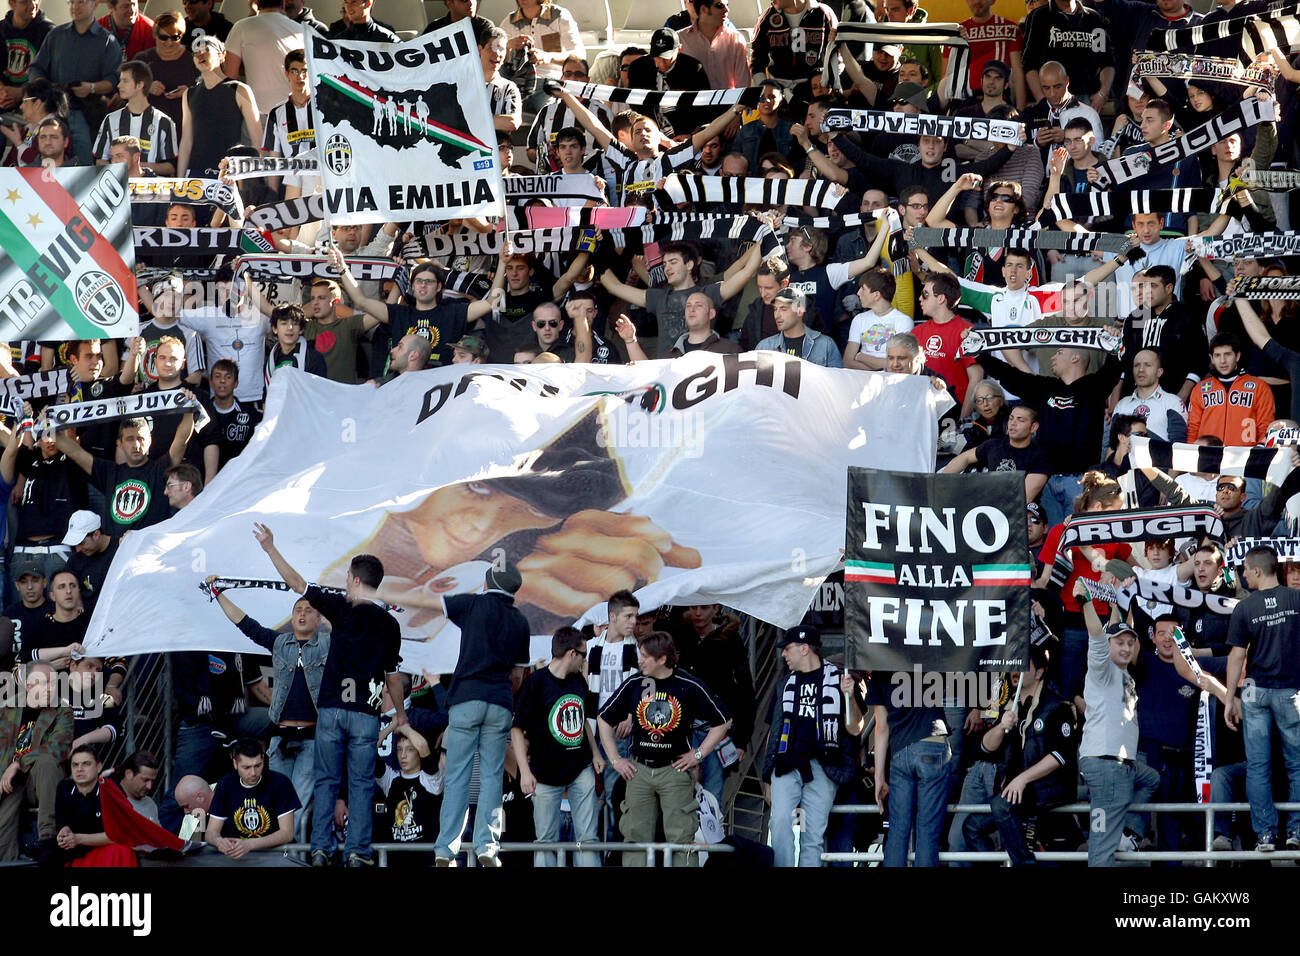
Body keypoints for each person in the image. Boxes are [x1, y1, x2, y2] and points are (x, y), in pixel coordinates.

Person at [253, 523, 406, 867]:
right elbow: (393, 678)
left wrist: (270, 548)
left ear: (352, 578)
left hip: (332, 709)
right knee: (362, 784)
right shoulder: (390, 624)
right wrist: (401, 713)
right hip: (366, 714)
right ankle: (357, 853)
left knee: (326, 780)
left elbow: (297, 583)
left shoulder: (340, 607)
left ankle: (321, 849)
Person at [206, 578, 328, 844]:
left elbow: (348, 629)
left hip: (311, 737)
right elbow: (246, 624)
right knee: (277, 806)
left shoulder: (328, 645)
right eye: (298, 610)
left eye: (309, 610)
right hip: (280, 736)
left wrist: (327, 612)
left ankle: (289, 859)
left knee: (297, 807)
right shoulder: (279, 642)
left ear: (319, 617)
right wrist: (219, 594)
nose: (302, 614)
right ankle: (275, 856)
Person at [598, 631, 731, 866]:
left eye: (645, 656)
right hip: (638, 768)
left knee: (681, 839)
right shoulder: (634, 682)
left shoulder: (688, 684)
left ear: (662, 659)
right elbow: (603, 718)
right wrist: (616, 759)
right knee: (635, 838)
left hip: (675, 770)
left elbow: (723, 720)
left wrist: (698, 754)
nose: (640, 660)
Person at [963, 645, 1078, 864]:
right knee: (971, 827)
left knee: (1000, 805)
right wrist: (1001, 726)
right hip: (1017, 792)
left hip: (1042, 791)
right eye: (1013, 666)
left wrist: (1022, 779)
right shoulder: (1008, 705)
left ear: (1039, 672)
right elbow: (985, 748)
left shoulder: (1058, 705)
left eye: (1023, 666)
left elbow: (1061, 755)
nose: (1016, 671)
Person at [762, 625, 862, 867]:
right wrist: (766, 776)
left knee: (813, 837)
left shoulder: (841, 680)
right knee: (779, 823)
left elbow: (855, 728)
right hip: (786, 764)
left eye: (787, 649)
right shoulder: (783, 684)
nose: (783, 655)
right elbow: (773, 732)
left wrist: (849, 696)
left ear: (804, 648)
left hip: (825, 766)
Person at [1075, 588, 1161, 866]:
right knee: (1102, 852)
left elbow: (1120, 628)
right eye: (1119, 642)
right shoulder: (1102, 669)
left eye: (1130, 643)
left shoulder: (1124, 673)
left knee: (1152, 779)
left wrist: (1117, 603)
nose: (1125, 647)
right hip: (1106, 764)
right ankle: (1120, 836)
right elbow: (1098, 639)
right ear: (1110, 645)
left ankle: (1127, 833)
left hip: (1122, 764)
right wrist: (1087, 602)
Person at [1225, 546, 1300, 853]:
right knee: (1297, 765)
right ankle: (1296, 830)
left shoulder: (1244, 607)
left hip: (1255, 694)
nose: (1243, 574)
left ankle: (1265, 836)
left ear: (1257, 571)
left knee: (1258, 767)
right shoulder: (1297, 599)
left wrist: (1230, 698)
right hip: (1291, 693)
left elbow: (1236, 655)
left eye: (1245, 569)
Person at [511, 625, 603, 866]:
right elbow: (516, 729)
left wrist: (595, 753)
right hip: (544, 774)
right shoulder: (536, 683)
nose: (585, 661)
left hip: (580, 767)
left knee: (588, 839)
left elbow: (582, 721)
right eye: (583, 655)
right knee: (545, 841)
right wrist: (525, 772)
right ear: (572, 654)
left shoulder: (578, 683)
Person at [867, 668, 952, 867]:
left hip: (900, 752)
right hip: (933, 744)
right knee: (928, 833)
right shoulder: (930, 654)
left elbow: (881, 728)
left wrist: (879, 777)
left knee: (897, 830)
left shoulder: (880, 671)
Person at [27, 0, 121, 165]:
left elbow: (113, 80)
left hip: (86, 113)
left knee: (83, 167)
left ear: (95, 4)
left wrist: (91, 88)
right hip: (53, 111)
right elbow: (36, 68)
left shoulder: (107, 41)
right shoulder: (55, 35)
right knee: (45, 167)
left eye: (81, 2)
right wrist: (44, 87)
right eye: (71, 2)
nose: (75, 7)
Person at [0, 661, 72, 861]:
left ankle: (48, 839)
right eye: (45, 683)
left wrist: (18, 764)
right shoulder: (7, 709)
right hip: (10, 783)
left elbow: (59, 748)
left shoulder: (62, 710)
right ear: (29, 686)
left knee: (47, 761)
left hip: (39, 781)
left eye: (54, 683)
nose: (51, 688)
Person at [177, 36, 262, 179]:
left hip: (228, 173)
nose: (200, 55)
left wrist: (250, 180)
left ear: (221, 55)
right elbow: (186, 141)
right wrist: (180, 180)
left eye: (206, 50)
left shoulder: (240, 89)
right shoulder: (189, 94)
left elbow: (258, 140)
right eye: (196, 52)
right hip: (196, 173)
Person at [206, 738, 299, 860]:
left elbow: (287, 833)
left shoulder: (280, 783)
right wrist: (219, 842)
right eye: (246, 767)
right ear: (235, 764)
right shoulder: (226, 784)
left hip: (276, 855)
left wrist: (250, 844)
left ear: (263, 759)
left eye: (258, 765)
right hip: (238, 857)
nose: (253, 772)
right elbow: (211, 832)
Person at [941, 403, 1049, 501]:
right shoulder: (993, 445)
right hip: (986, 506)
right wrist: (940, 482)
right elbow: (965, 458)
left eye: (1020, 420)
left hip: (1016, 514)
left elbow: (1023, 498)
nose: (1012, 423)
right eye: (1011, 419)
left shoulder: (1039, 457)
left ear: (1034, 427)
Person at [1187, 334, 1275, 448]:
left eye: (1227, 354)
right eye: (1217, 355)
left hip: (1245, 456)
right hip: (1208, 455)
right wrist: (1190, 451)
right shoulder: (1199, 389)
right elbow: (1193, 428)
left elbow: (1266, 425)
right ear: (1211, 358)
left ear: (1237, 356)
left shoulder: (1260, 387)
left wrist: (1259, 451)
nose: (1222, 361)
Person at [222, 0, 303, 122]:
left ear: (257, 4)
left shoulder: (241, 27)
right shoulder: (300, 30)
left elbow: (230, 77)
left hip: (256, 113)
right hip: (292, 112)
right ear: (283, 4)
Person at [93, 59, 175, 174]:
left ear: (140, 85)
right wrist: (122, 169)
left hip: (151, 189)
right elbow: (99, 161)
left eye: (125, 81)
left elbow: (171, 166)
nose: (119, 85)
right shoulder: (111, 119)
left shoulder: (163, 121)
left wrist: (138, 167)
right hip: (118, 188)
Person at [756, 288, 843, 367]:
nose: (777, 315)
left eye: (783, 309)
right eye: (775, 309)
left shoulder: (825, 345)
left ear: (800, 311)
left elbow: (836, 382)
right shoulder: (764, 347)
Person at [0, 0, 53, 110]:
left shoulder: (49, 32)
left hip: (34, 101)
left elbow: (51, 77)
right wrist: (2, 91)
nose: (33, 5)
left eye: (35, 0)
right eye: (25, 1)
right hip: (4, 98)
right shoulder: (1, 29)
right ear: (12, 3)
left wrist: (22, 92)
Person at [62, 510, 118, 610]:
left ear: (96, 534)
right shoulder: (75, 560)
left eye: (81, 543)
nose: (78, 549)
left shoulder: (121, 548)